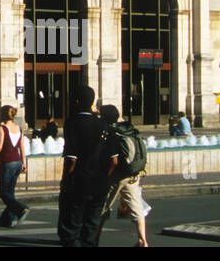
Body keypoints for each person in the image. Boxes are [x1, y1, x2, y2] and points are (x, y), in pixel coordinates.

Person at [57, 85, 109, 247]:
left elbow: (71, 158)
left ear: (77, 101)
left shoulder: (73, 122)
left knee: (72, 225)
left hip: (78, 180)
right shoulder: (102, 123)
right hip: (99, 182)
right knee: (92, 226)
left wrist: (66, 180)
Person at [99, 104, 151, 246]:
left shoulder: (110, 132)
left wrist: (106, 176)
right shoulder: (129, 129)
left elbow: (113, 160)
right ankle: (143, 240)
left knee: (103, 206)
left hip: (117, 175)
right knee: (136, 207)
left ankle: (93, 239)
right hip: (133, 173)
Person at [0, 104, 29, 226]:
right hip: (17, 162)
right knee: (10, 192)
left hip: (7, 162)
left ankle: (20, 208)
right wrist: (24, 163)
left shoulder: (2, 128)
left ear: (3, 115)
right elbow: (22, 147)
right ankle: (6, 220)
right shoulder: (19, 128)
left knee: (2, 192)